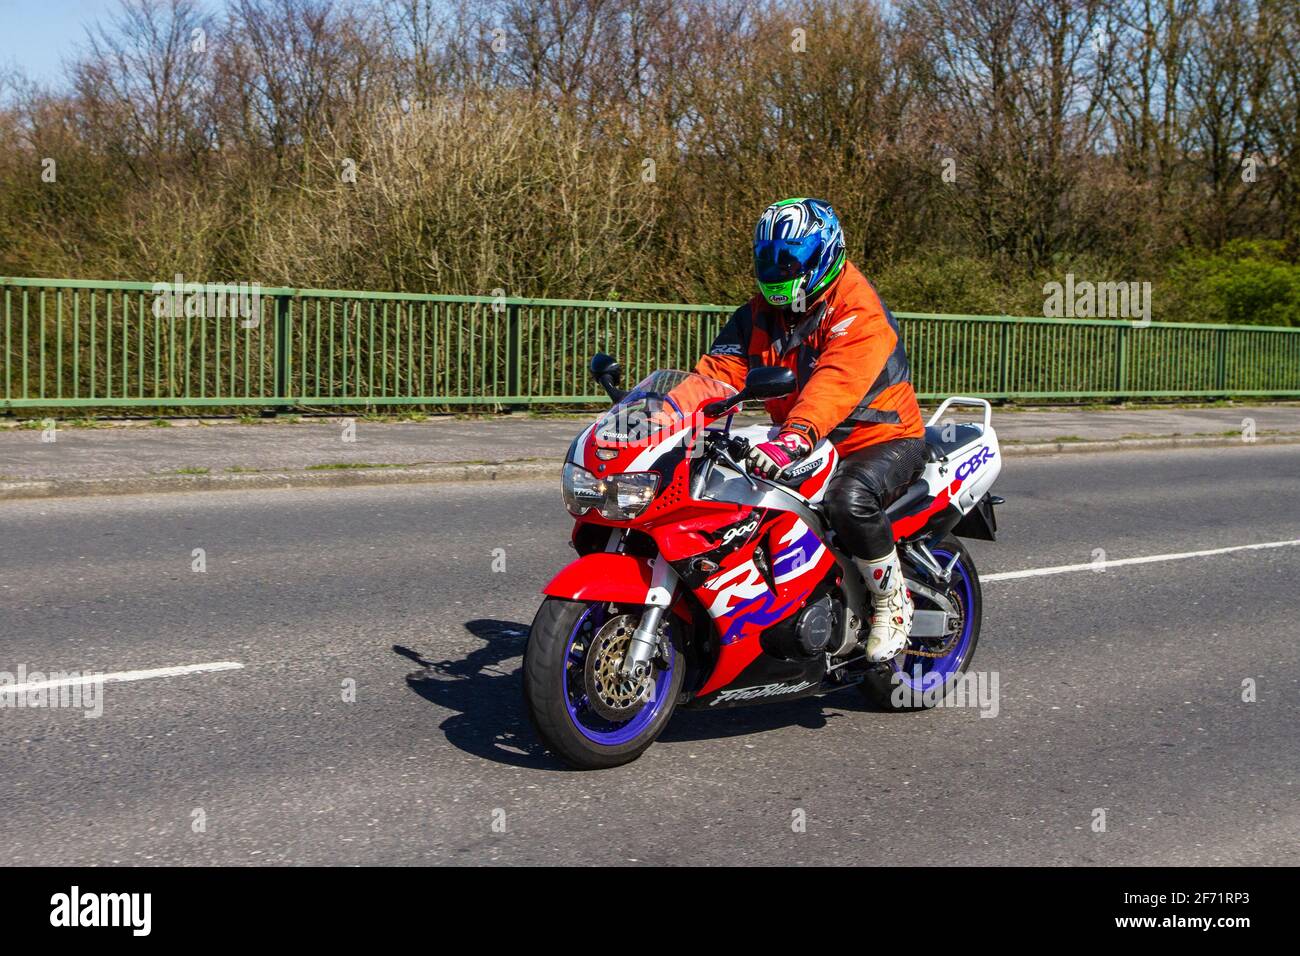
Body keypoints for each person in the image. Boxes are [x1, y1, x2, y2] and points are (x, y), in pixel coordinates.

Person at [692, 198, 926, 661]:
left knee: (848, 500)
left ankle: (891, 601)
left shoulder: (856, 308)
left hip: (881, 439)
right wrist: (656, 421)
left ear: (822, 255)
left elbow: (835, 382)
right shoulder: (759, 314)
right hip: (801, 438)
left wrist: (796, 435)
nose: (777, 272)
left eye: (789, 261)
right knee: (725, 492)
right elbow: (714, 377)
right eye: (768, 261)